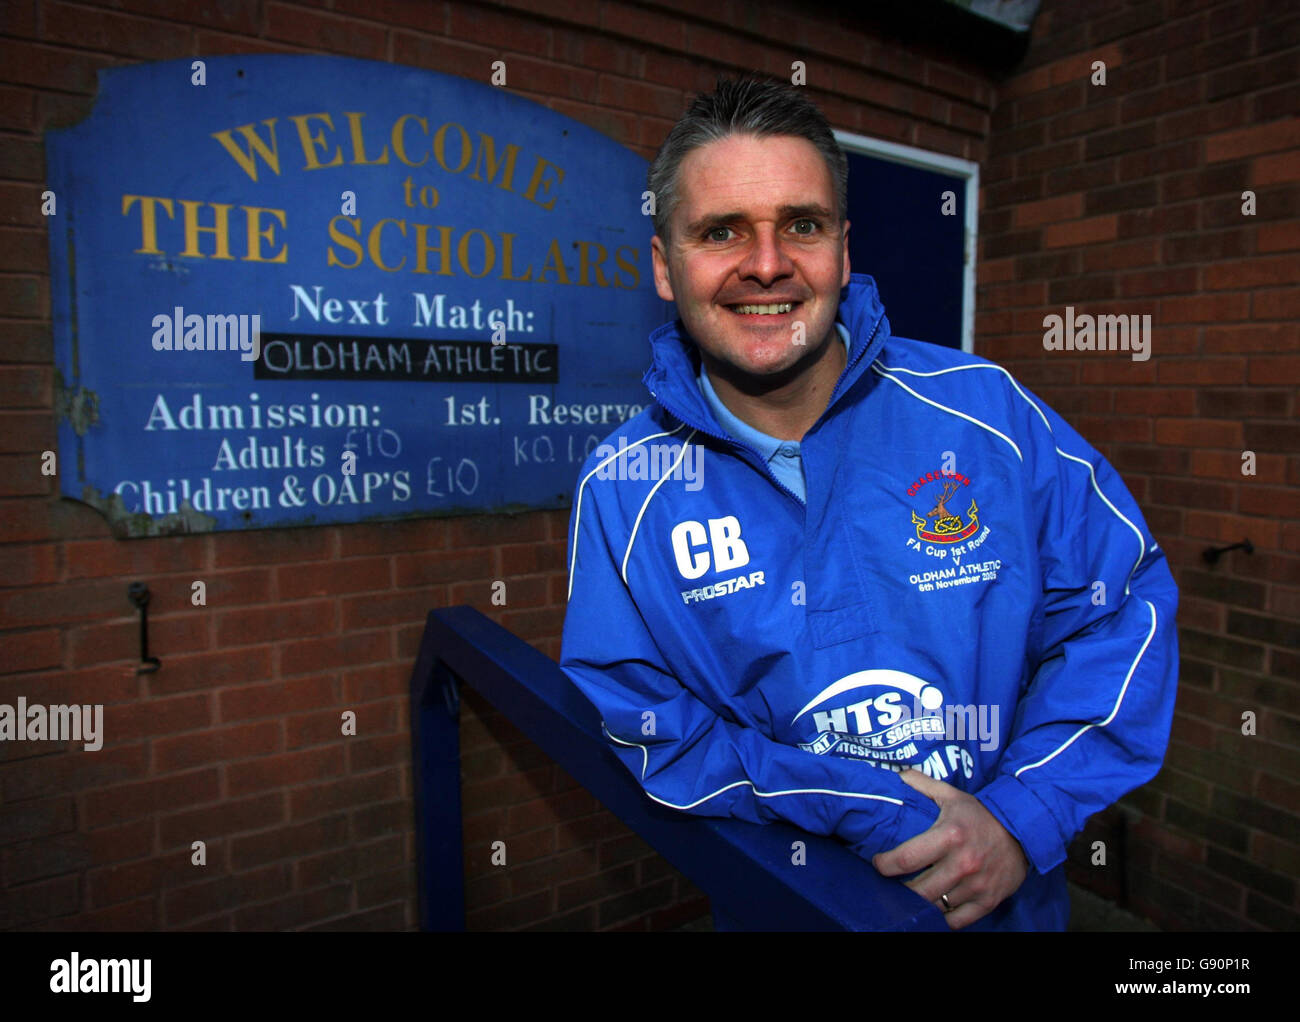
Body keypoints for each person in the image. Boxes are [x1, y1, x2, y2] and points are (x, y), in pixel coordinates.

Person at [559, 75, 1178, 931]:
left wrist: (1019, 817)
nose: (767, 264)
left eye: (801, 225)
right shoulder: (625, 490)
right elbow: (647, 723)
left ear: (843, 250)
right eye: (721, 231)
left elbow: (1122, 611)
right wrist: (861, 807)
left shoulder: (989, 415)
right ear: (666, 266)